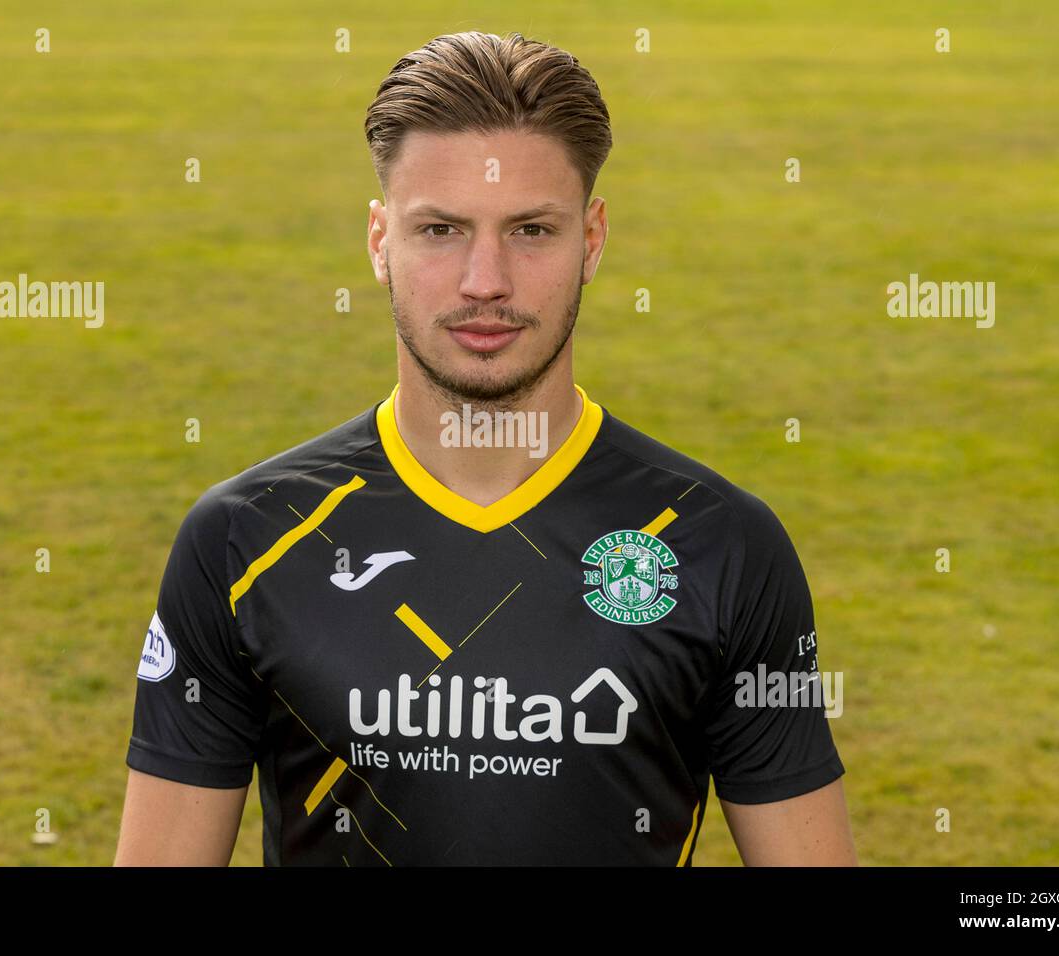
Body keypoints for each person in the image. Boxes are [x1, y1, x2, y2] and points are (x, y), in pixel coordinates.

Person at [114, 30, 856, 866]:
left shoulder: (720, 543)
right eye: (440, 230)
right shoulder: (245, 539)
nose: (485, 282)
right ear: (378, 242)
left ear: (594, 240)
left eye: (532, 230)